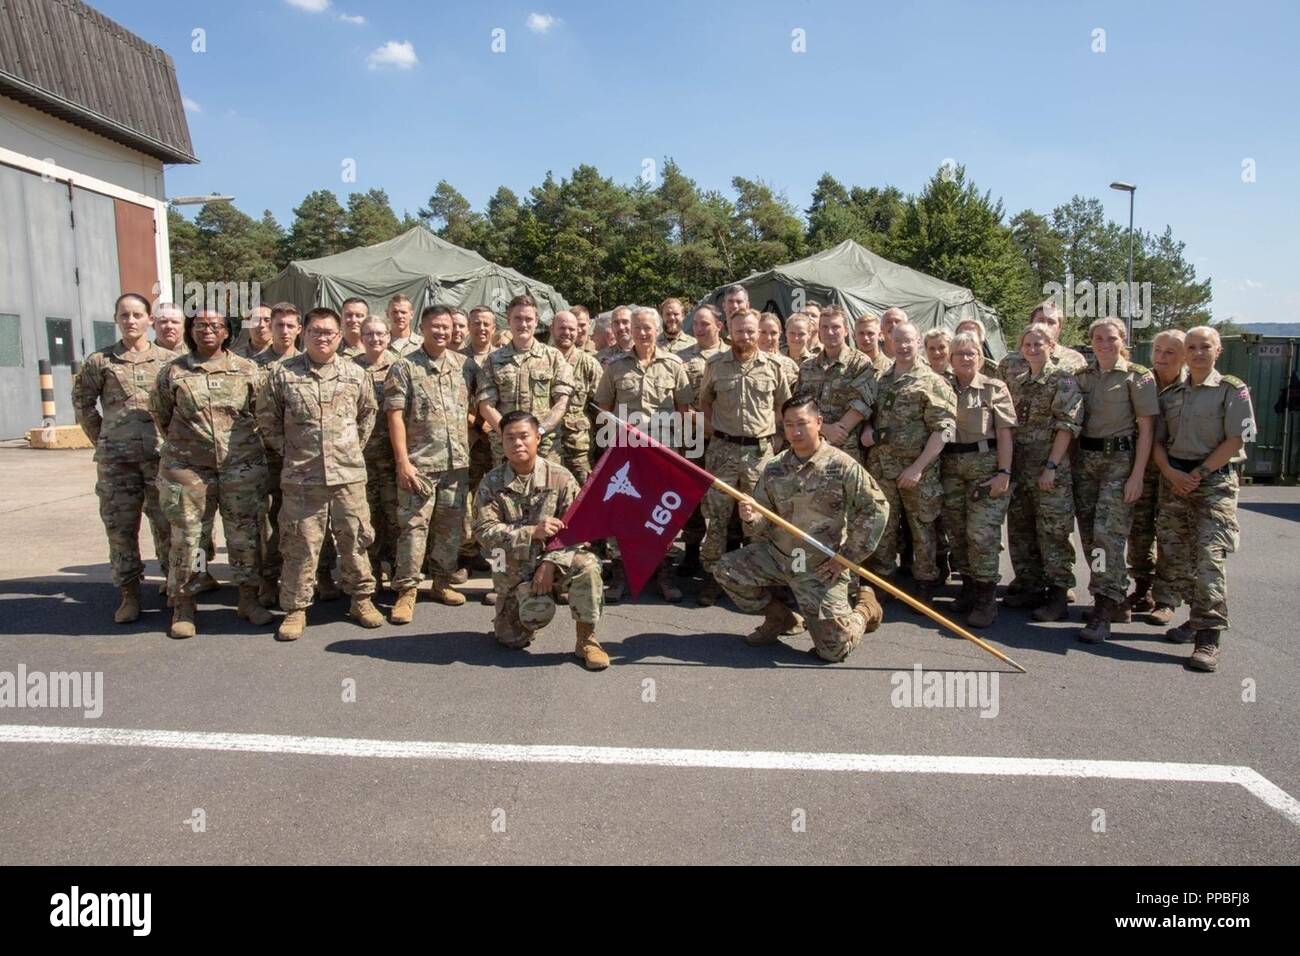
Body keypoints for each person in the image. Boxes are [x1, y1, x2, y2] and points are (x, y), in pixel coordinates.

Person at [715, 393, 888, 661]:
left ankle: (865, 608)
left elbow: (876, 508)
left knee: (833, 650)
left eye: (802, 423)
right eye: (788, 425)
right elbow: (761, 523)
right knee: (726, 570)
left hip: (821, 567)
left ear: (819, 422)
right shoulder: (774, 468)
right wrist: (750, 516)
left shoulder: (841, 466)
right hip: (778, 557)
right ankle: (782, 619)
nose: (795, 431)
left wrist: (847, 558)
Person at [256, 307, 384, 640]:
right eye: (316, 331)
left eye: (329, 332)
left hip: (348, 476)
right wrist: (291, 451)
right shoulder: (282, 374)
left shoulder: (355, 374)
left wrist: (349, 448)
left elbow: (368, 414)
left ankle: (361, 599)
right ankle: (296, 609)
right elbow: (267, 420)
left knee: (355, 539)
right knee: (300, 543)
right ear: (304, 333)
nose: (322, 337)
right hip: (302, 478)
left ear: (340, 336)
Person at [152, 308, 272, 637]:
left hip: (241, 468)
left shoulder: (248, 370)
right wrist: (190, 447)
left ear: (226, 333)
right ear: (191, 331)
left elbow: (262, 414)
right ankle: (185, 605)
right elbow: (161, 415)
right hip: (189, 471)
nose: (207, 330)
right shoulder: (173, 371)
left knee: (244, 537)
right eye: (201, 325)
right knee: (190, 540)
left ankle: (248, 599)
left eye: (215, 326)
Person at [473, 411, 609, 670]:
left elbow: (579, 530)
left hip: (555, 562)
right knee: (510, 639)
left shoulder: (560, 477)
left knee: (589, 566)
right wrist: (531, 532)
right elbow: (483, 531)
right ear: (501, 442)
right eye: (509, 438)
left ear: (537, 437)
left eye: (524, 436)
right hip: (514, 568)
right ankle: (526, 606)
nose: (517, 444)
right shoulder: (491, 483)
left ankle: (587, 640)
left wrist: (550, 564)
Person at [1151, 326, 1253, 671]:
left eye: (1203, 347)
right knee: (1176, 555)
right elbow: (1158, 442)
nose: (1197, 353)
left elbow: (1237, 438)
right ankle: (1193, 618)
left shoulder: (1232, 391)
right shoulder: (1172, 395)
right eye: (1191, 347)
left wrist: (1201, 473)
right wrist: (1169, 473)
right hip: (1176, 480)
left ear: (1217, 350)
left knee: (1209, 557)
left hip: (1213, 482)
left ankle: (1208, 636)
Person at [73, 292, 175, 622]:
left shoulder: (167, 360)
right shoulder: (100, 361)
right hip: (117, 462)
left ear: (149, 320)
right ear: (116, 319)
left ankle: (175, 587)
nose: (130, 321)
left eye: (136, 315)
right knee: (120, 529)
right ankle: (129, 594)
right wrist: (104, 437)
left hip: (160, 457)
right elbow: (84, 405)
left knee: (169, 526)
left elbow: (179, 408)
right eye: (124, 315)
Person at [385, 305, 481, 618]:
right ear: (422, 328)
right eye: (435, 326)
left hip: (456, 464)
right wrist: (403, 462)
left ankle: (441, 582)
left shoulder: (465, 366)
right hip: (420, 464)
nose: (442, 332)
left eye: (447, 327)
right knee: (413, 528)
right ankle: (407, 590)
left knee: (450, 529)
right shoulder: (404, 367)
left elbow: (478, 406)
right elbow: (395, 416)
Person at [595, 307, 694, 602]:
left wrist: (682, 454)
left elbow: (685, 412)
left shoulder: (674, 365)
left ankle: (663, 572)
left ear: (658, 329)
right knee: (624, 513)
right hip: (627, 456)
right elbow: (602, 410)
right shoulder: (614, 367)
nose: (641, 332)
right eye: (637, 327)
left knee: (661, 514)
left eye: (647, 327)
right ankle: (620, 574)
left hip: (663, 454)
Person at [696, 308, 793, 606]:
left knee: (759, 520)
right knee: (716, 518)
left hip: (759, 453)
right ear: (730, 333)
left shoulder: (774, 367)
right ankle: (713, 578)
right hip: (723, 451)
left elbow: (783, 408)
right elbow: (705, 404)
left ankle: (760, 580)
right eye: (740, 331)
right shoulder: (715, 365)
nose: (746, 336)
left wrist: (773, 441)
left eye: (752, 331)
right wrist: (722, 433)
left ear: (759, 332)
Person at [1072, 317, 1158, 643]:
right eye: (1098, 338)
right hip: (1086, 463)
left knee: (1108, 536)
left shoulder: (1138, 377)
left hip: (1120, 462)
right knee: (1090, 537)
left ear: (1124, 340)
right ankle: (1115, 599)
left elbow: (1147, 429)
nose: (1105, 344)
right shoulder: (1081, 377)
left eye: (1111, 338)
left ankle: (1104, 608)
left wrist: (1137, 474)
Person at [864, 320, 956, 603]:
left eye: (909, 341)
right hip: (882, 468)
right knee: (884, 526)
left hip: (918, 471)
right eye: (897, 340)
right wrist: (868, 430)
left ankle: (926, 582)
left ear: (918, 343)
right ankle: (884, 581)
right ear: (888, 342)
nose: (903, 346)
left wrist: (917, 468)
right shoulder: (881, 380)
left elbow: (944, 430)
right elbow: (871, 414)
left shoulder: (932, 381)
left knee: (922, 528)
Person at [1002, 323, 1084, 621]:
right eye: (1027, 345)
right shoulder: (1019, 380)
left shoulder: (1063, 381)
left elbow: (1067, 426)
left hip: (1049, 470)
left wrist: (1051, 466)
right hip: (1020, 468)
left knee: (1053, 532)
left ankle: (1059, 595)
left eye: (1039, 344)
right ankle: (1030, 586)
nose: (1032, 349)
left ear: (1051, 345)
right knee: (1021, 529)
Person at [939, 333, 1017, 626]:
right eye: (959, 354)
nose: (965, 358)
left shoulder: (993, 387)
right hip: (951, 465)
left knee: (982, 533)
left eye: (971, 353)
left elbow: (1006, 432)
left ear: (980, 357)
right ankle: (970, 587)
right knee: (957, 531)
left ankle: (987, 598)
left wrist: (1004, 472)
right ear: (951, 359)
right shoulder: (943, 387)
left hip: (985, 464)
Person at [1125, 330, 1188, 623]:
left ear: (1184, 356)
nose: (1161, 357)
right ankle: (1142, 587)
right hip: (1141, 467)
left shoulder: (1194, 385)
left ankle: (1167, 599)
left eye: (1170, 352)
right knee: (1138, 531)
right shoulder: (1140, 380)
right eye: (1158, 351)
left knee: (1170, 534)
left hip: (1177, 471)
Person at [477, 294, 574, 466]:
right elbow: (486, 405)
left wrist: (539, 432)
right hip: (506, 450)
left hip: (545, 448)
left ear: (536, 321)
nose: (523, 324)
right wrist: (510, 435)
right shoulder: (493, 360)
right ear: (509, 320)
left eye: (528, 319)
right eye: (518, 318)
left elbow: (562, 402)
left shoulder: (553, 357)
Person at [678, 305, 728, 576]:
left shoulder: (728, 355)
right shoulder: (681, 357)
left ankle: (724, 555)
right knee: (693, 494)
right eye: (695, 323)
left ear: (719, 325)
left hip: (723, 436)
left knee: (723, 497)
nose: (699, 328)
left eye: (705, 323)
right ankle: (691, 552)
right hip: (692, 436)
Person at [795, 306, 876, 464]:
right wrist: (824, 429)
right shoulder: (807, 367)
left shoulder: (860, 363)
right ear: (818, 331)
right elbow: (798, 405)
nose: (830, 332)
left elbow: (862, 404)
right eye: (824, 327)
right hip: (811, 447)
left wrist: (836, 433)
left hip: (846, 449)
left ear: (846, 330)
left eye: (835, 327)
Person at [354, 315, 399, 589]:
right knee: (366, 518)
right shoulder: (350, 368)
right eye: (369, 334)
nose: (375, 339)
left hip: (393, 456)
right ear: (361, 337)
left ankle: (396, 569)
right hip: (361, 457)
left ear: (389, 336)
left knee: (395, 516)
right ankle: (370, 572)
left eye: (380, 333)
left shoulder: (400, 366)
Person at [552, 310, 602, 486]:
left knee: (584, 495)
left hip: (579, 448)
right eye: (562, 328)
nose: (567, 333)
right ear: (552, 329)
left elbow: (601, 407)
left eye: (572, 329)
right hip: (547, 446)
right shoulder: (543, 360)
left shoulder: (589, 364)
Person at [997, 301, 1087, 377]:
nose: (1045, 325)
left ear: (1059, 328)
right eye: (1040, 320)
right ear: (1031, 324)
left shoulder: (1074, 360)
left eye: (1051, 322)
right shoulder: (1009, 362)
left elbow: (1076, 388)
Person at [758, 313, 802, 381]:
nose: (768, 338)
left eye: (773, 333)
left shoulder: (790, 365)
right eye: (763, 332)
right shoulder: (745, 363)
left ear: (779, 334)